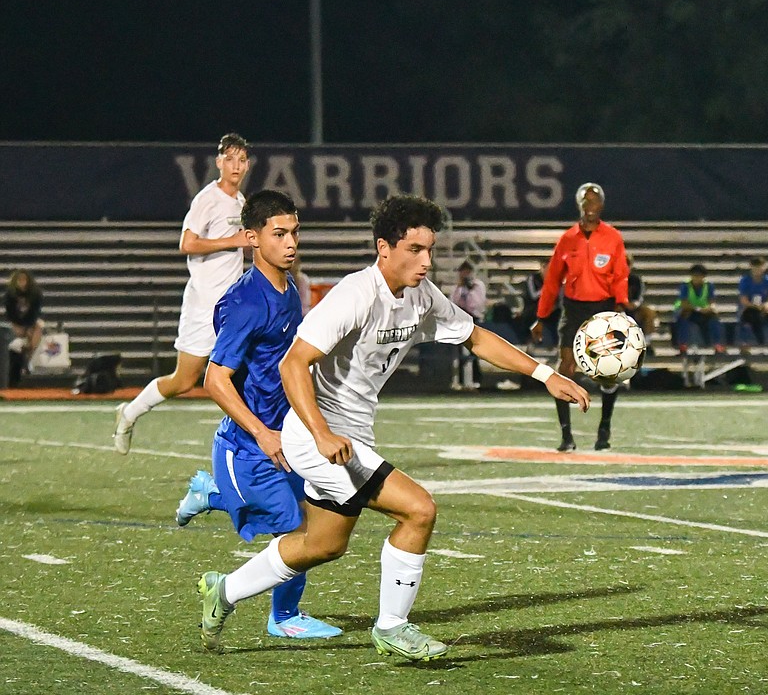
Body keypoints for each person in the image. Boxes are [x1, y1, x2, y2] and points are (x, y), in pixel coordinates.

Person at [197, 194, 590, 659]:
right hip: (317, 437)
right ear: (384, 247)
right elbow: (292, 364)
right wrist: (322, 433)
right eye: (415, 250)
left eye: (430, 250)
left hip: (351, 437)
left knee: (324, 545)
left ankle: (223, 591)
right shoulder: (354, 295)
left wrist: (546, 375)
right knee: (419, 510)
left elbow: (476, 337)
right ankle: (392, 627)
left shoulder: (422, 296)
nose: (426, 261)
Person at [174, 189, 341, 640]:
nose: (291, 243)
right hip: (248, 445)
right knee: (300, 533)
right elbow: (214, 379)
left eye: (295, 233)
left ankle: (212, 497)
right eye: (279, 234)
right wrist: (263, 433)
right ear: (251, 238)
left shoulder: (289, 288)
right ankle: (278, 615)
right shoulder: (248, 301)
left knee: (305, 527)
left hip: (285, 436)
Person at [113, 133, 250, 454]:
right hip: (203, 307)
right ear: (218, 163)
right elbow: (187, 244)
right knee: (183, 380)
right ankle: (129, 413)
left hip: (232, 308)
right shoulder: (208, 199)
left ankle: (250, 447)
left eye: (241, 159)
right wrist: (233, 241)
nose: (236, 165)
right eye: (229, 159)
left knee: (247, 373)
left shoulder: (241, 202)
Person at [531, 182, 629, 452]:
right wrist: (541, 317)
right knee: (566, 368)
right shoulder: (567, 239)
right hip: (573, 308)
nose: (591, 208)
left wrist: (621, 304)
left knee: (609, 372)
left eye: (595, 203)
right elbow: (552, 282)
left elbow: (620, 274)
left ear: (602, 206)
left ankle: (604, 426)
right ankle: (566, 435)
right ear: (579, 206)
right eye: (586, 203)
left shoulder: (613, 238)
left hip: (603, 307)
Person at [673, 264, 726, 355]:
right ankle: (683, 345)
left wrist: (710, 308)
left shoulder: (709, 285)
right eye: (694, 276)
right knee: (684, 316)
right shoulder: (685, 285)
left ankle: (717, 345)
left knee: (714, 317)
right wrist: (698, 309)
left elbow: (712, 301)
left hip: (703, 311)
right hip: (688, 309)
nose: (696, 278)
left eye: (699, 276)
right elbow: (684, 303)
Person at [450, 260, 487, 389]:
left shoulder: (478, 286)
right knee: (460, 351)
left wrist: (470, 291)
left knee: (474, 351)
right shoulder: (457, 288)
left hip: (474, 319)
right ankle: (460, 380)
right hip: (460, 320)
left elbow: (478, 304)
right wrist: (460, 288)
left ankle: (476, 379)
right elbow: (453, 303)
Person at [737, 256, 768, 354]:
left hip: (763, 308)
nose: (758, 270)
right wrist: (754, 306)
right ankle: (744, 345)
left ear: (764, 267)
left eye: (760, 267)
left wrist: (767, 305)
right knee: (744, 317)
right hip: (749, 308)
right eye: (755, 267)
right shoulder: (745, 281)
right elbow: (743, 299)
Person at [4, 269, 44, 381]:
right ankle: (19, 361)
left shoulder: (36, 294)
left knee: (37, 329)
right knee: (13, 331)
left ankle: (28, 359)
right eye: (19, 280)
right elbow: (10, 313)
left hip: (30, 322)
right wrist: (18, 326)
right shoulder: (10, 295)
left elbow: (35, 312)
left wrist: (28, 328)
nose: (22, 282)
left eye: (24, 280)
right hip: (15, 323)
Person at [514, 260, 558, 345]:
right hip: (532, 308)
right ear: (542, 267)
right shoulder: (532, 278)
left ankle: (556, 343)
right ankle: (528, 341)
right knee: (530, 316)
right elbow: (533, 295)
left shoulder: (555, 279)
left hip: (550, 309)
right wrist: (546, 288)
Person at [625, 254, 658, 354]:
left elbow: (639, 298)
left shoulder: (636, 280)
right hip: (614, 308)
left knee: (649, 313)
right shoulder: (610, 278)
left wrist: (633, 305)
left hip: (632, 309)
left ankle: (646, 342)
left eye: (627, 264)